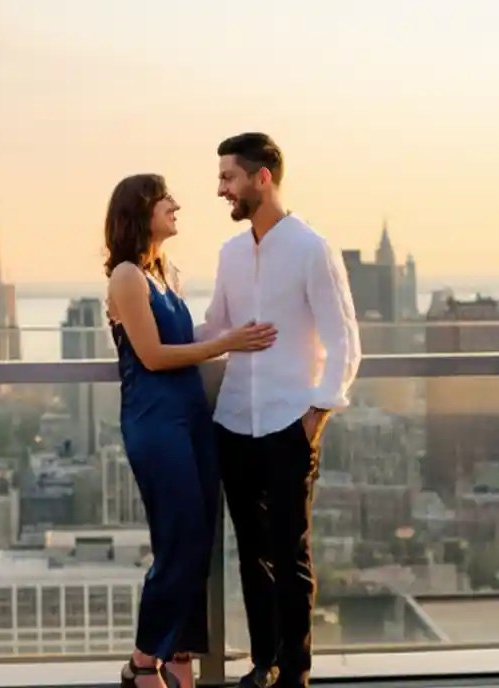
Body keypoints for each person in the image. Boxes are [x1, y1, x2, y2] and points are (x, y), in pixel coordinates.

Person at [104, 173, 278, 688]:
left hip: (192, 419)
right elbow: (154, 356)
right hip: (155, 422)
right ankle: (141, 662)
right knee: (178, 542)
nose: (177, 206)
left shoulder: (167, 273)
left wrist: (231, 332)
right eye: (166, 201)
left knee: (198, 540)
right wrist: (228, 343)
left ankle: (178, 651)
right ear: (142, 210)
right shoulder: (127, 277)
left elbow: (187, 336)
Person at [202, 133, 362, 688]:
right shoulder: (228, 254)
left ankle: (296, 672)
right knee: (252, 555)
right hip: (233, 422)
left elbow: (345, 341)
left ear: (261, 177)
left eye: (229, 178)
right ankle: (263, 664)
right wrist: (146, 331)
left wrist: (317, 414)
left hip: (288, 424)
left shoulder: (312, 248)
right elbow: (215, 329)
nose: (221, 189)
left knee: (291, 556)